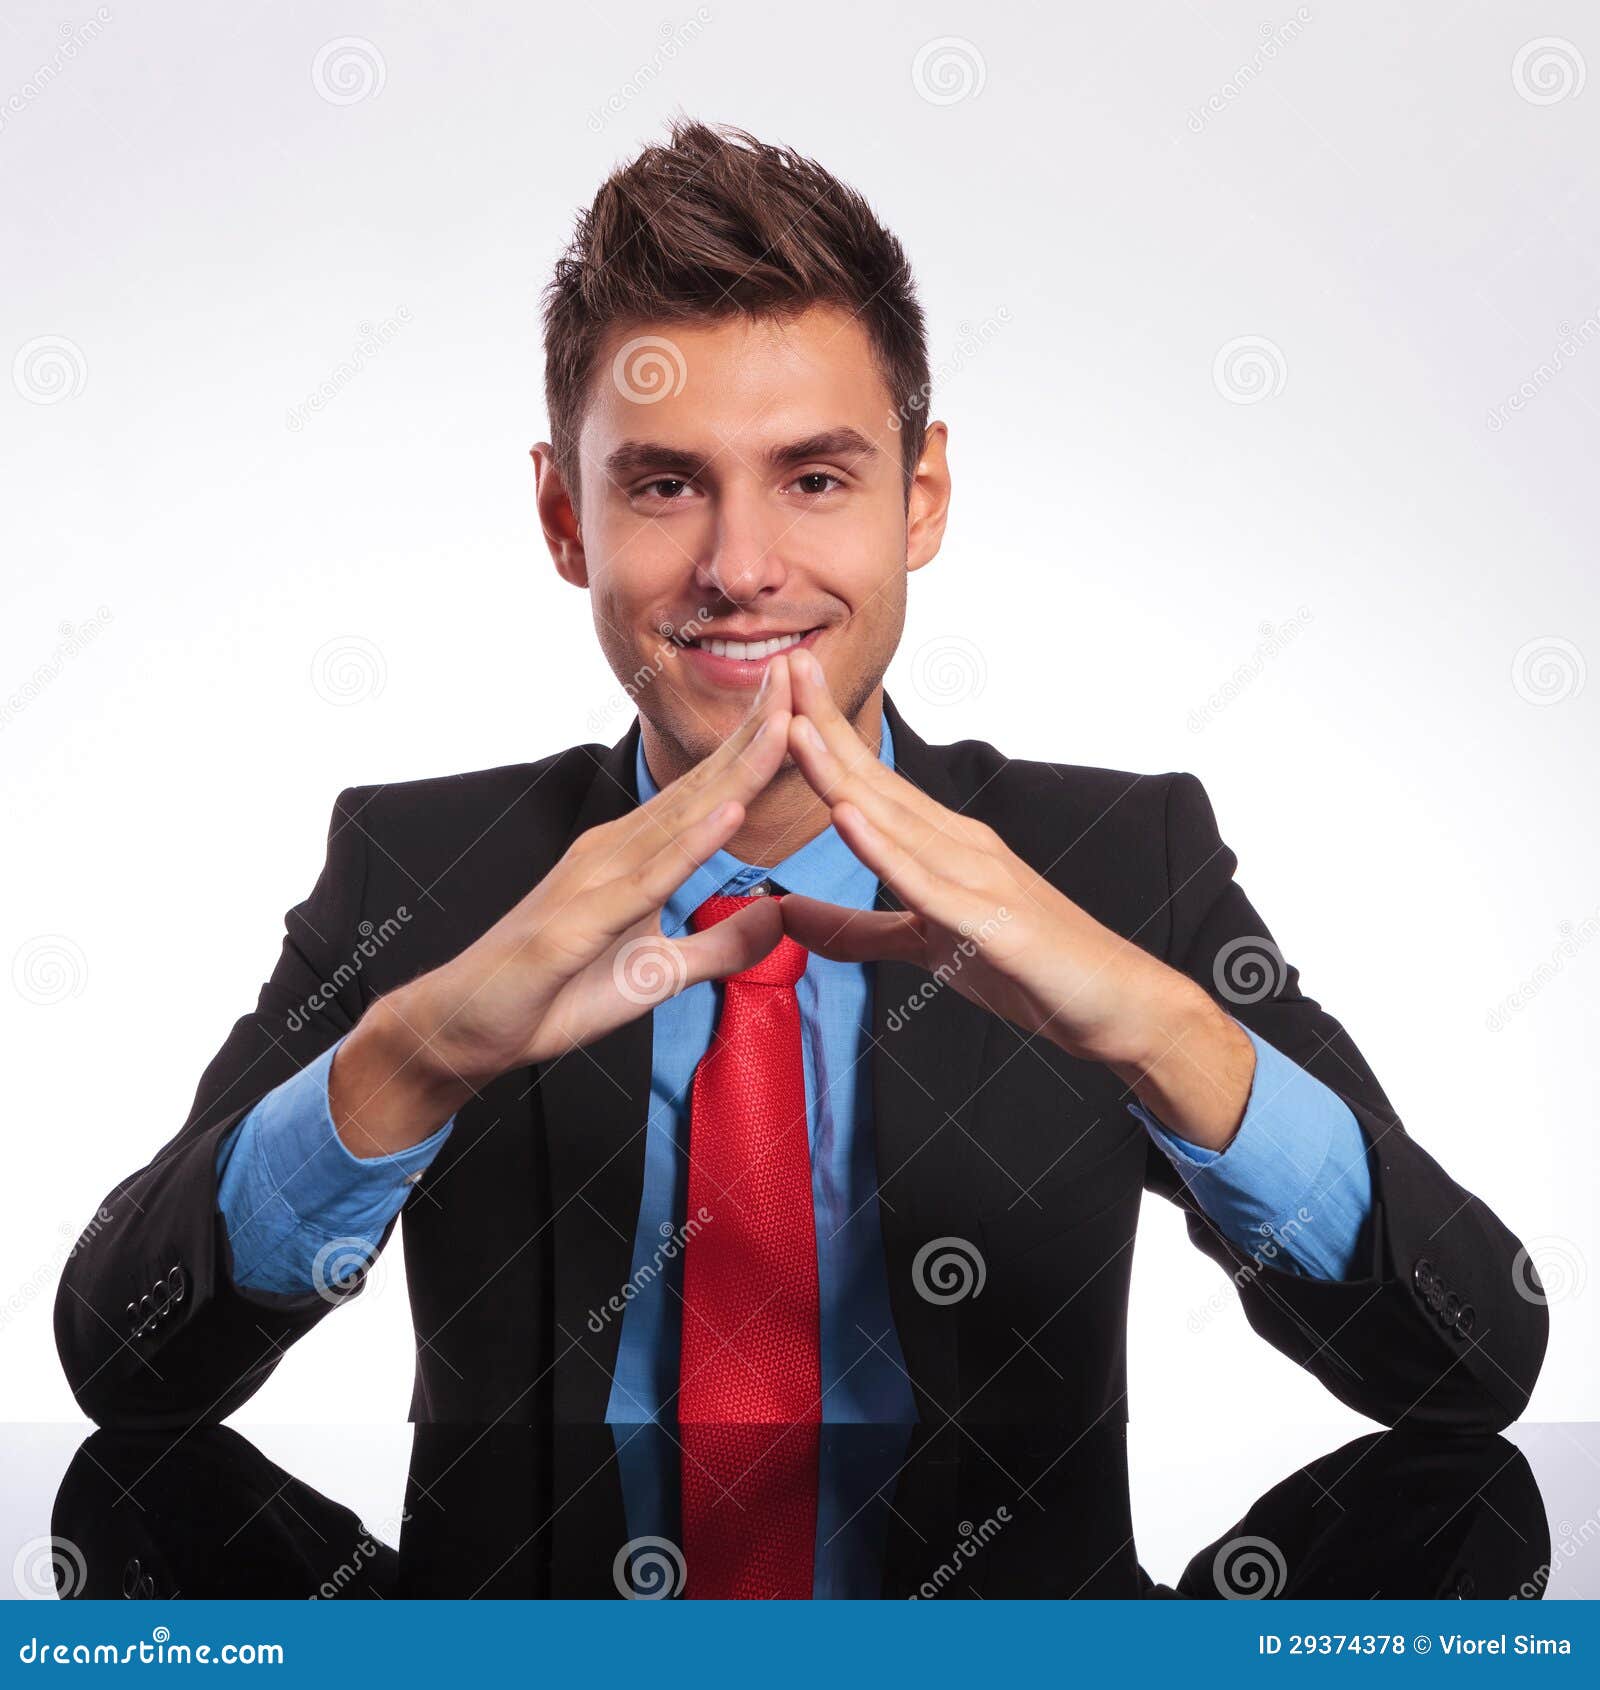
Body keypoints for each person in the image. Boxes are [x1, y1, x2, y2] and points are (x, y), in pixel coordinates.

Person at [56, 124, 1546, 1465]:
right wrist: (414, 1058)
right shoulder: (417, 872)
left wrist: (1160, 1027)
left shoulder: (1119, 859)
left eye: (817, 480)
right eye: (664, 485)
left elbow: (1475, 1356)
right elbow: (126, 1363)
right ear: (566, 519)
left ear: (923, 499)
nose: (742, 567)